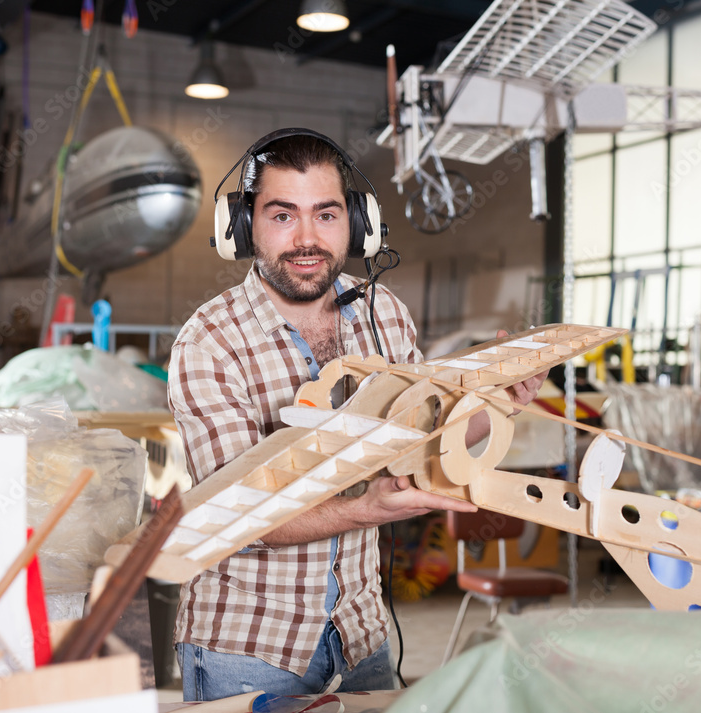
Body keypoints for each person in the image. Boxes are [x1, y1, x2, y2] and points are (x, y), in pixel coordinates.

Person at [167, 130, 545, 701]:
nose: (306, 238)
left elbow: (429, 435)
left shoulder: (384, 314)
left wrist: (498, 400)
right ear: (242, 227)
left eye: (326, 213)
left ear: (359, 223)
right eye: (281, 215)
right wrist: (366, 509)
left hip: (361, 637)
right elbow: (237, 514)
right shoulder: (209, 342)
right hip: (249, 645)